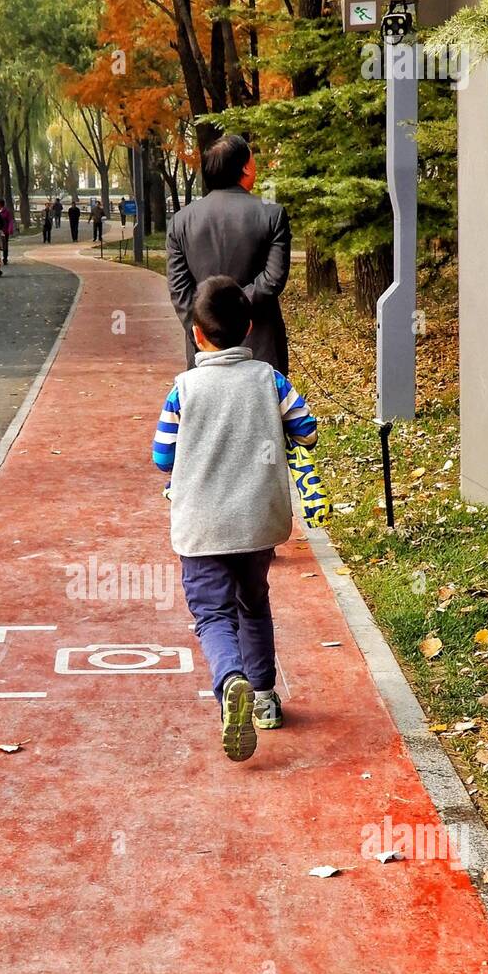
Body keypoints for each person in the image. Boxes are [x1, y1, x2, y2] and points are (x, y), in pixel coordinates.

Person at [152, 276, 317, 762]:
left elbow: (164, 456)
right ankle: (264, 698)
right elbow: (305, 431)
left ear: (197, 335)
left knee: (212, 614)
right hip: (257, 522)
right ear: (248, 328)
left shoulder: (183, 390)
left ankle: (230, 682)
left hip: (201, 526)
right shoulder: (271, 380)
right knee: (253, 603)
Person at [166, 133, 291, 372]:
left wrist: (206, 327)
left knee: (206, 409)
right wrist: (236, 314)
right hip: (260, 344)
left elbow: (179, 291)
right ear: (245, 168)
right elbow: (272, 280)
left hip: (205, 346)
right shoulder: (271, 215)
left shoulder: (181, 221)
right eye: (252, 159)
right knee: (263, 407)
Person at [0, 198, 15, 265]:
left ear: (1, 204)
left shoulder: (6, 211)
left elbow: (10, 220)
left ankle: (5, 258)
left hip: (4, 231)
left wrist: (9, 229)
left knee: (5, 245)